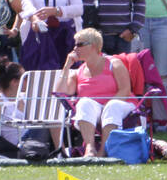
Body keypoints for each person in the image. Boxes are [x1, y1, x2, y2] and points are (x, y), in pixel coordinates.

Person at [54, 28, 136, 157]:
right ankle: (90, 148)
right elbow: (60, 92)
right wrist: (66, 67)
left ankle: (103, 151)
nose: (75, 48)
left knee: (112, 106)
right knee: (84, 102)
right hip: (95, 110)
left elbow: (125, 90)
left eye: (79, 44)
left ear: (93, 46)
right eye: (75, 44)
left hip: (122, 105)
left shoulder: (113, 63)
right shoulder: (78, 71)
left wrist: (107, 107)